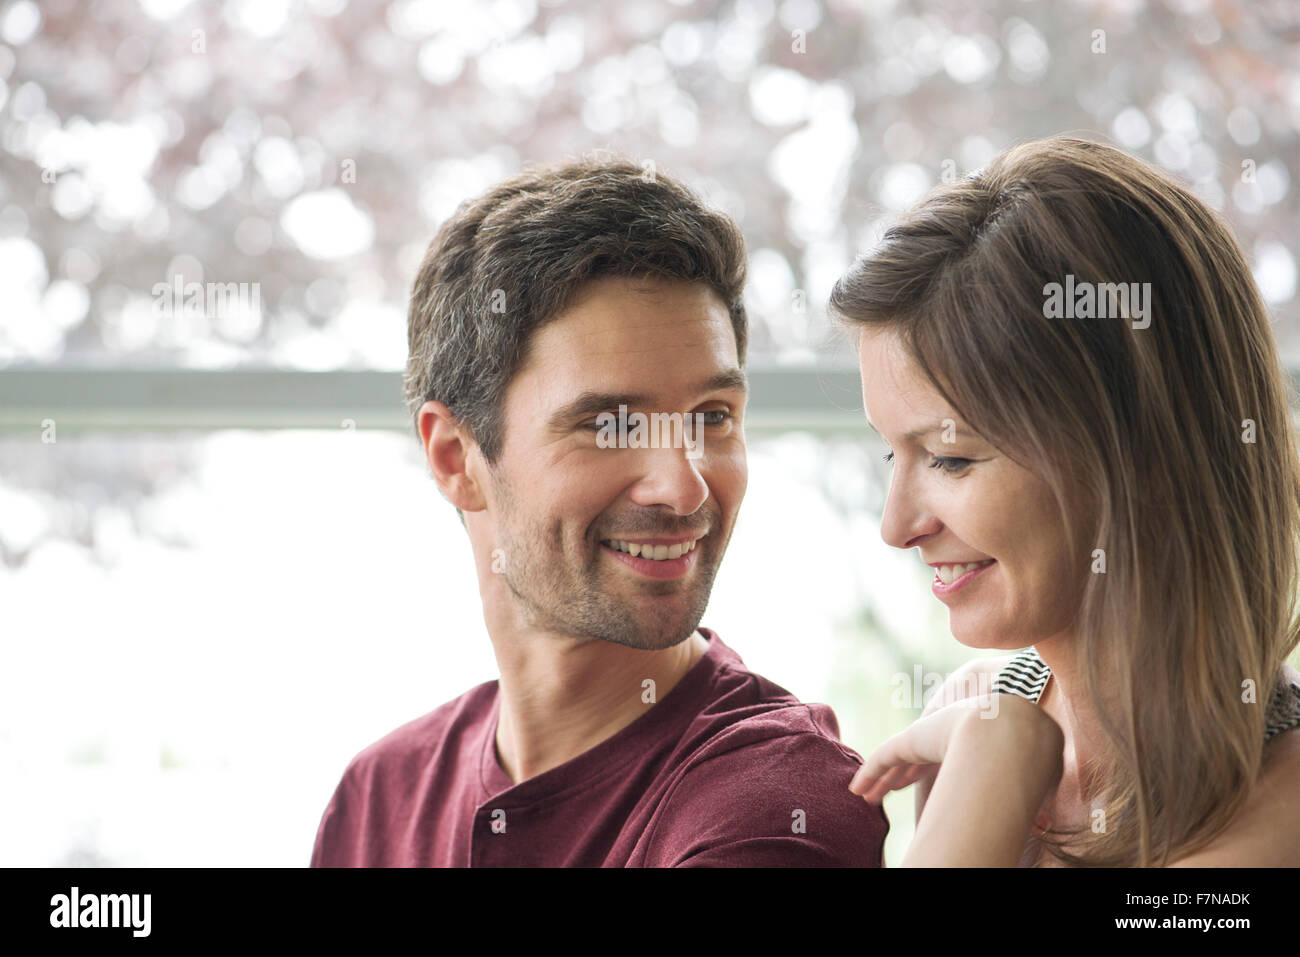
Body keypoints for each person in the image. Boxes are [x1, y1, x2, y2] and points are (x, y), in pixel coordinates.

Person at [310, 153, 888, 867]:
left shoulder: (775, 806)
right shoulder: (380, 798)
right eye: (611, 424)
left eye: (712, 417)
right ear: (456, 458)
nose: (684, 488)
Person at [834, 136, 1300, 866]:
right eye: (895, 451)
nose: (897, 527)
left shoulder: (1281, 821)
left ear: (1144, 459)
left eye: (951, 458)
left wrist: (991, 760)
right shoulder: (977, 705)